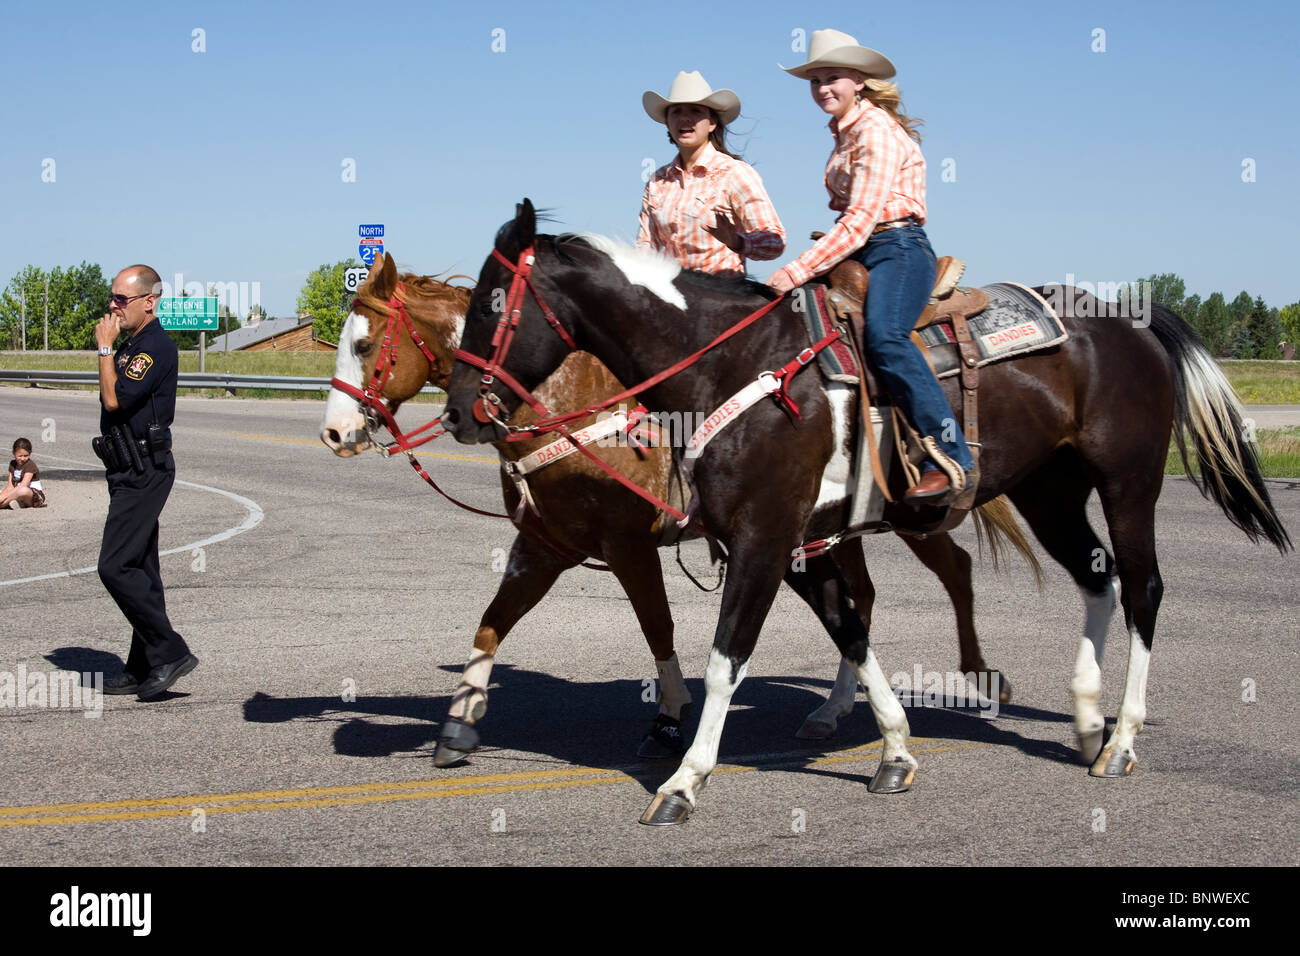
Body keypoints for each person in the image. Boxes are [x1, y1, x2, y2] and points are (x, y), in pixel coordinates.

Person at [769, 29, 974, 502]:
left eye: (832, 77)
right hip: (862, 248)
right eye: (815, 80)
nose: (823, 88)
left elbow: (860, 220)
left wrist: (793, 271)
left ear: (859, 80)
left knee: (886, 337)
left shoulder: (874, 130)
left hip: (896, 247)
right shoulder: (844, 133)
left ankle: (952, 456)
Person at [94, 264, 198, 700]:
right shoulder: (132, 344)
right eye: (113, 298)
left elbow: (113, 398)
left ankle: (169, 651)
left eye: (122, 299)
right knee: (141, 566)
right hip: (125, 466)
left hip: (144, 471)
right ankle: (143, 664)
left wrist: (103, 350)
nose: (114, 307)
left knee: (114, 566)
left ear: (149, 301)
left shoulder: (154, 347)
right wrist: (112, 350)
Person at [638, 70, 786, 277]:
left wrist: (737, 242)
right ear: (667, 123)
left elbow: (775, 241)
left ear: (712, 123)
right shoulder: (657, 181)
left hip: (722, 299)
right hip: (671, 299)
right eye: (676, 111)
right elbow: (646, 246)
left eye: (696, 111)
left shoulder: (734, 174)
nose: (685, 118)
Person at [2, 438, 46, 510]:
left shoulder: (30, 465)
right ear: (14, 453)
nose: (22, 458)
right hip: (16, 491)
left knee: (22, 491)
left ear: (30, 453)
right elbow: (10, 486)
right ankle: (18, 503)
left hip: (33, 495)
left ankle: (4, 504)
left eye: (26, 456)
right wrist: (3, 495)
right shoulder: (13, 464)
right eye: (20, 456)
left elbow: (23, 486)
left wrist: (3, 497)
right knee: (3, 492)